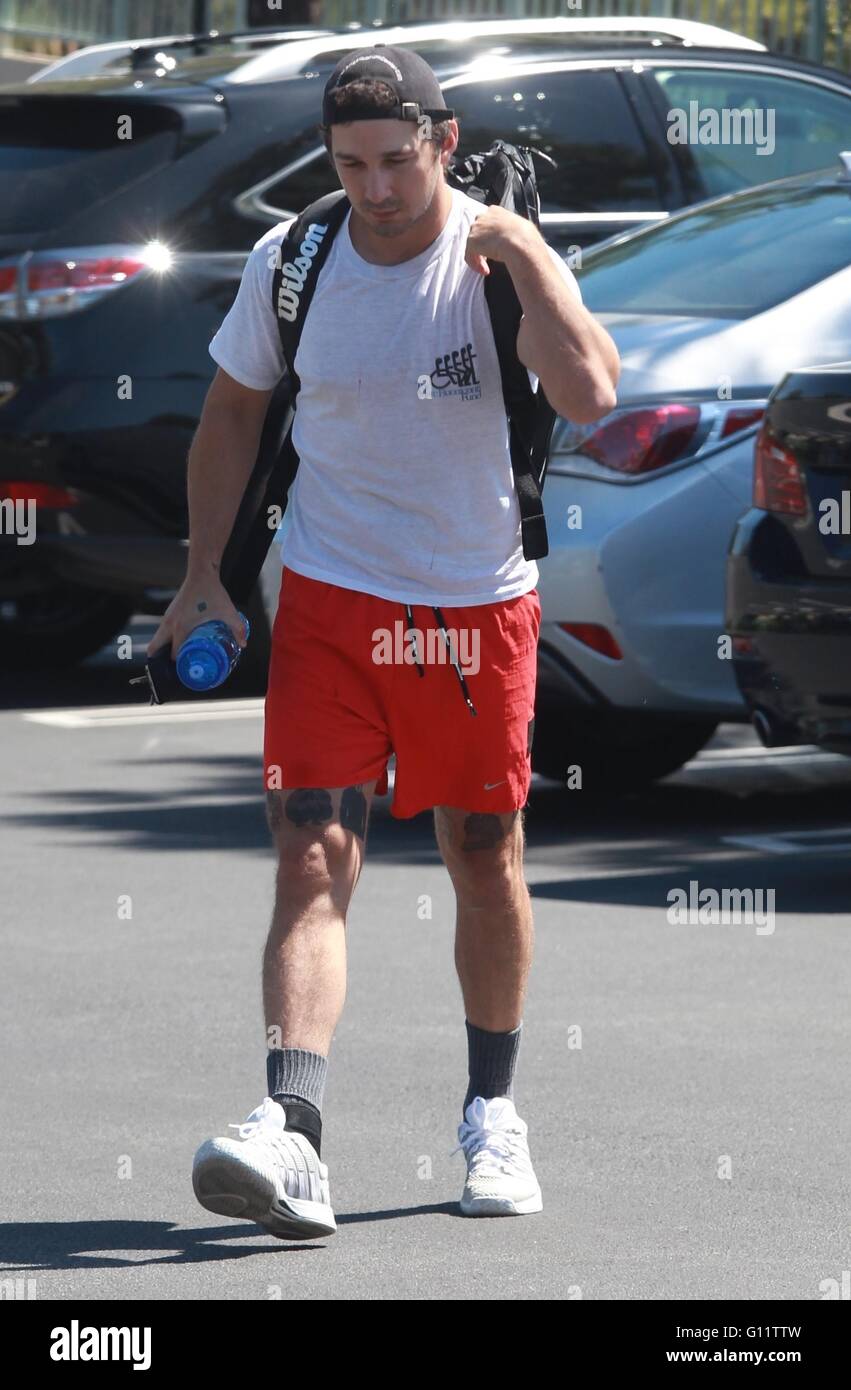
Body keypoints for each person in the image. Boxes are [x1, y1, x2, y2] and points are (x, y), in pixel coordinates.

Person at [150, 46, 619, 1241]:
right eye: (349, 164)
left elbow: (590, 395)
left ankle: (491, 1114)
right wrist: (204, 575)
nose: (374, 189)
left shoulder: (491, 258)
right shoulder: (294, 258)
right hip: (329, 599)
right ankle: (291, 1133)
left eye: (396, 163)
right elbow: (232, 412)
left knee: (481, 857)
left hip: (472, 609)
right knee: (311, 855)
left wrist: (522, 252)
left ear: (443, 144)